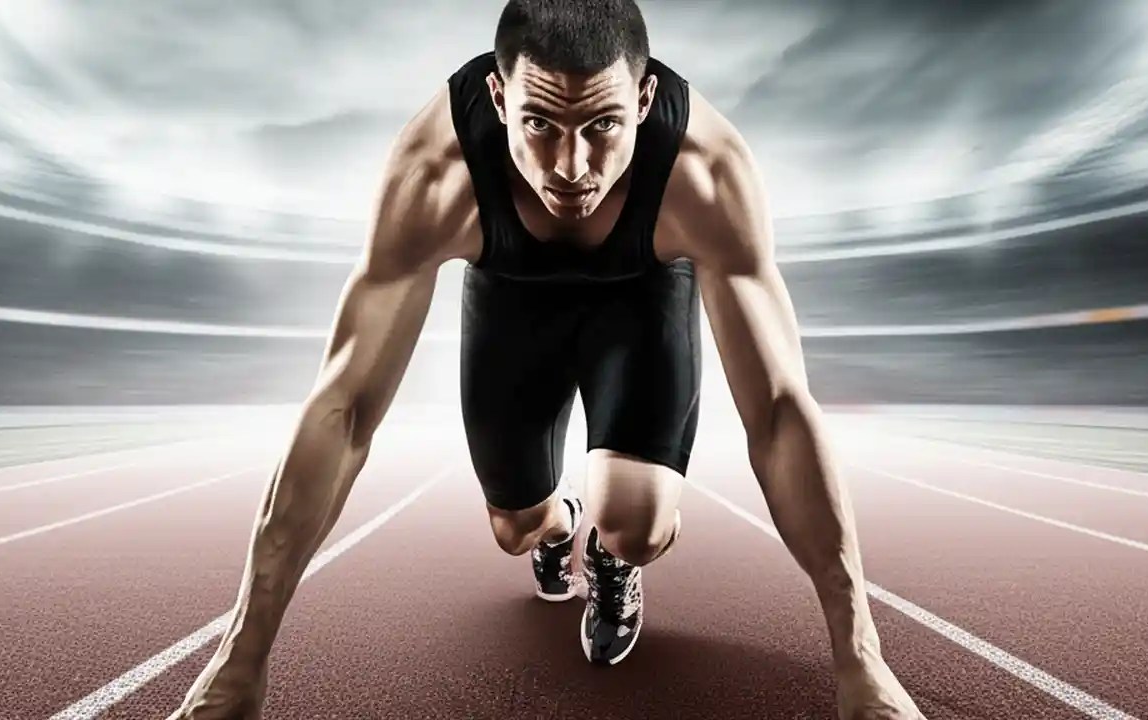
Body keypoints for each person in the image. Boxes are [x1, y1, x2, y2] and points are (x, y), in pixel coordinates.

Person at [168, 1, 925, 718]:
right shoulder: (438, 175)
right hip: (511, 301)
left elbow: (782, 410)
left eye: (602, 124)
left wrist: (862, 658)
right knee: (514, 527)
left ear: (645, 95)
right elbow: (344, 408)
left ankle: (610, 556)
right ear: (497, 100)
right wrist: (242, 652)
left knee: (638, 526)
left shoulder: (705, 173)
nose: (569, 167)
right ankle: (560, 526)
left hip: (640, 298)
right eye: (539, 123)